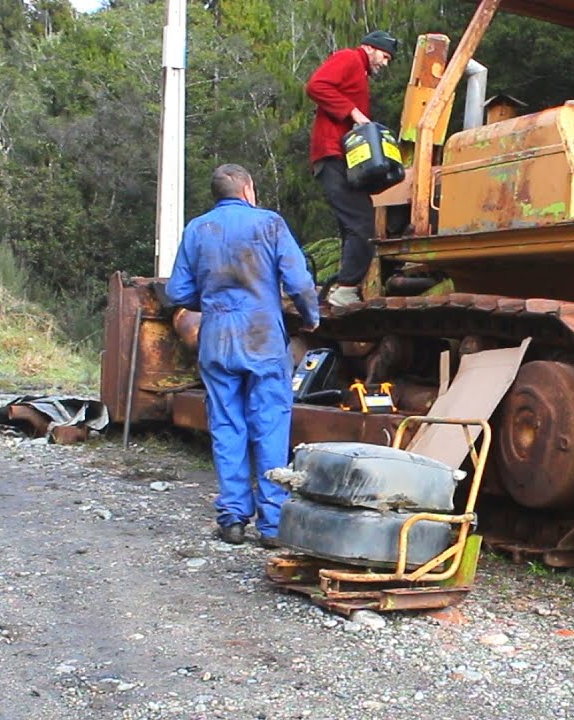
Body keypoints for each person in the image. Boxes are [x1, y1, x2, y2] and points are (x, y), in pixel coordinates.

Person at [166, 164, 320, 547]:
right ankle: (272, 525)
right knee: (269, 425)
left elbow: (177, 292)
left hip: (216, 339)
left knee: (227, 426)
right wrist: (311, 316)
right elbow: (299, 280)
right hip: (263, 339)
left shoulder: (197, 229)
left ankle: (233, 519)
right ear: (248, 189)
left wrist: (213, 299)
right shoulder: (269, 223)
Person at [306, 29, 401, 308]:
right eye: (384, 56)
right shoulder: (349, 59)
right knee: (362, 223)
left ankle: (342, 286)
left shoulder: (359, 73)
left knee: (351, 226)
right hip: (332, 154)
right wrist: (353, 113)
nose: (385, 63)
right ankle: (345, 289)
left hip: (340, 157)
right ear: (370, 48)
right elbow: (316, 85)